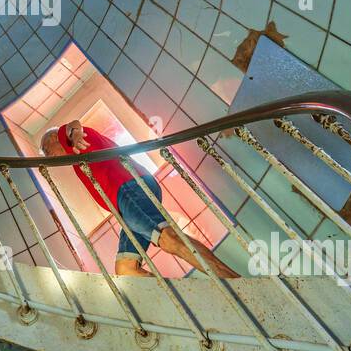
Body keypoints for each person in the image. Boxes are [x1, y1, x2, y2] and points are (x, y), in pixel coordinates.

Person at [42, 119, 239, 279]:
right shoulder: (77, 157)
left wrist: (75, 136)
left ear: (54, 138)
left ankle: (233, 282)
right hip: (126, 203)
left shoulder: (70, 140)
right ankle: (184, 297)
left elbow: (73, 126)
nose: (48, 156)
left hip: (128, 188)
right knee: (126, 270)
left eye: (46, 149)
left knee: (168, 238)